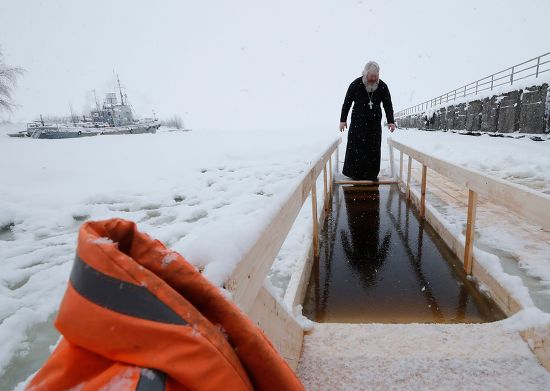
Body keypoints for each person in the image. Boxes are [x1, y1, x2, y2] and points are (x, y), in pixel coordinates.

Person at [339, 61, 395, 180]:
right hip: (357, 124)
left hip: (374, 125)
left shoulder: (382, 86)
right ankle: (355, 173)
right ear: (365, 73)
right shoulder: (356, 84)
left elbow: (388, 104)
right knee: (356, 149)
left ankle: (371, 174)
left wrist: (391, 121)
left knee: (372, 150)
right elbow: (347, 103)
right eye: (371, 76)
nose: (373, 78)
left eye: (376, 75)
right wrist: (343, 120)